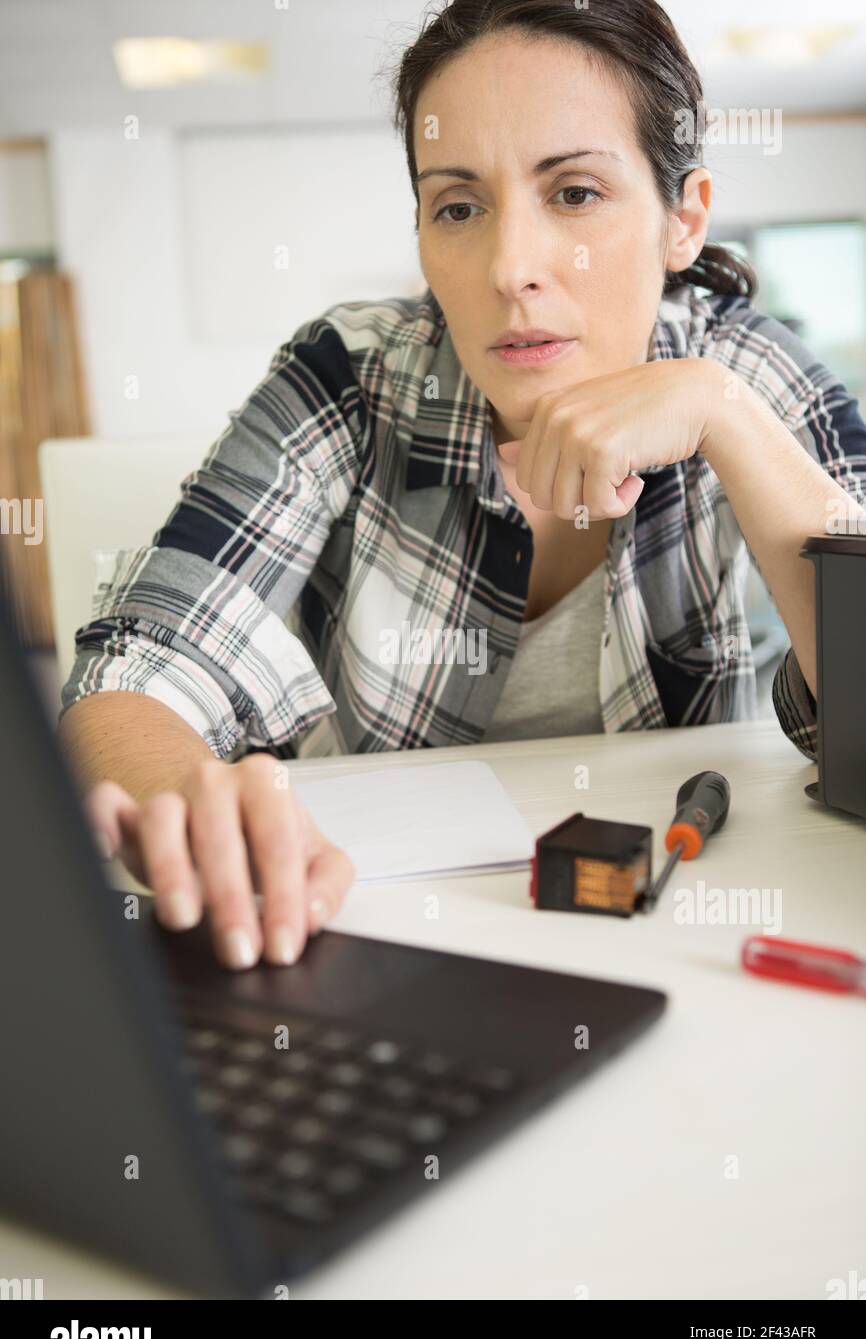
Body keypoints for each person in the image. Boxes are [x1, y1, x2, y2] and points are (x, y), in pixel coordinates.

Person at [58, 0, 866, 972]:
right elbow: (136, 673)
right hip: (369, 926)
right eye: (458, 206)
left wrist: (723, 418)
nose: (509, 267)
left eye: (572, 193)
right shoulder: (349, 374)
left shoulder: (742, 369)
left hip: (683, 924)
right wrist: (199, 812)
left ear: (681, 218)